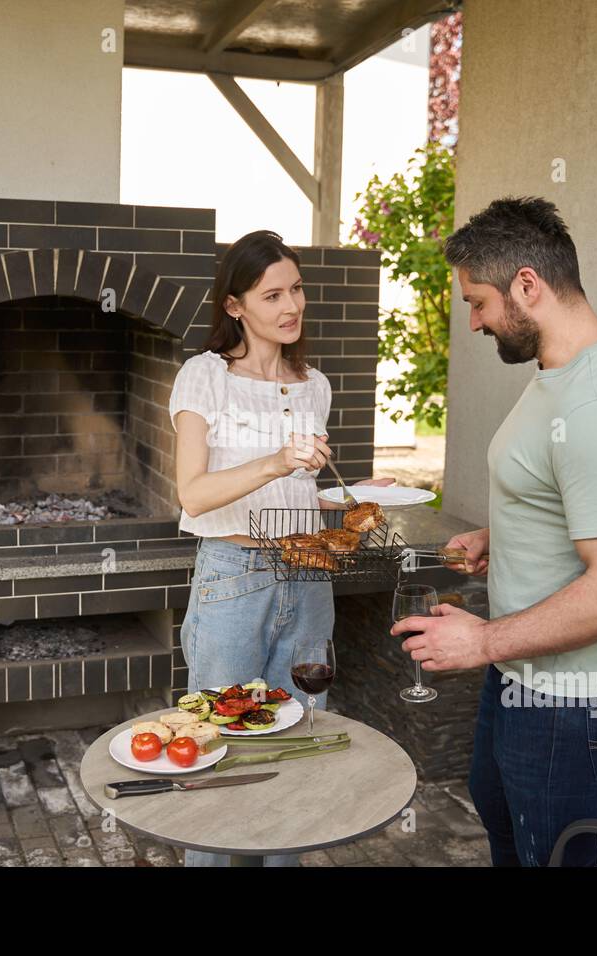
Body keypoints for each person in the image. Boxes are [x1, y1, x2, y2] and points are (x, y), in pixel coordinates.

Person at [391, 197, 597, 866]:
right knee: (504, 824)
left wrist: (484, 639)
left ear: (528, 285)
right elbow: (562, 483)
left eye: (478, 302)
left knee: (547, 858)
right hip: (525, 676)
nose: (475, 321)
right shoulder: (559, 369)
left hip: (568, 699)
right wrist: (506, 531)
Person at [169, 229, 391, 867]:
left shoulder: (313, 384)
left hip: (308, 574)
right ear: (236, 306)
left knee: (297, 745)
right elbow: (194, 495)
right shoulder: (204, 378)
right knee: (217, 752)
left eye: (296, 289)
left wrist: (346, 503)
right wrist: (273, 461)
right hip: (234, 578)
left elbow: (295, 495)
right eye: (272, 295)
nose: (291, 305)